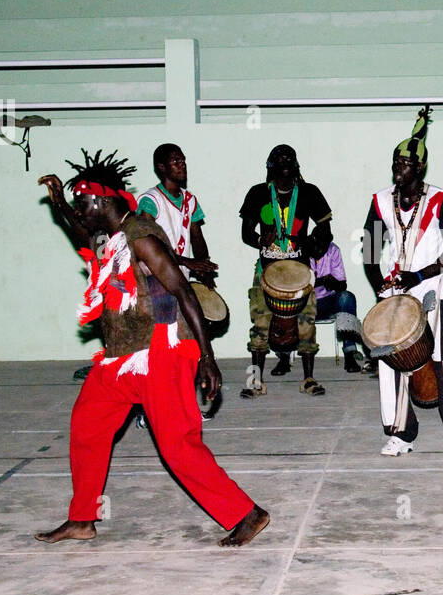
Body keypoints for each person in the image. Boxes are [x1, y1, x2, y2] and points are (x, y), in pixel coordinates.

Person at [34, 149, 268, 547]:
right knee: (86, 426)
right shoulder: (112, 237)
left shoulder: (142, 237)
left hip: (162, 352)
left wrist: (207, 359)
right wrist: (59, 206)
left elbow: (184, 293)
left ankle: (247, 513)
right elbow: (83, 235)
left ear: (104, 200)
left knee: (177, 446)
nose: (81, 210)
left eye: (83, 203)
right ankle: (82, 518)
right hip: (120, 358)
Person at [363, 107, 443, 459]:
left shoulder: (441, 199)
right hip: (397, 291)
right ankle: (400, 432)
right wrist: (380, 283)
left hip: (436, 288)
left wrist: (420, 276)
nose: (399, 169)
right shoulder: (381, 201)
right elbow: (369, 249)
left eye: (406, 164)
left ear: (420, 167)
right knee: (388, 361)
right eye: (395, 162)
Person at [238, 144, 333, 397]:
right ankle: (254, 380)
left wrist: (310, 242)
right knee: (260, 323)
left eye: (290, 158)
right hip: (266, 270)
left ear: (297, 166)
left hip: (299, 269)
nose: (285, 162)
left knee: (306, 323)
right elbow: (246, 233)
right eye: (279, 159)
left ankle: (309, 379)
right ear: (270, 166)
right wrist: (260, 240)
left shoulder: (309, 192)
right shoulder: (258, 193)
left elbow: (325, 230)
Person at [135, 142, 219, 289]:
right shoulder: (150, 200)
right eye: (175, 161)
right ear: (162, 167)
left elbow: (197, 238)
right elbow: (146, 245)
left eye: (183, 160)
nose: (182, 165)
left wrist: (204, 267)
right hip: (155, 278)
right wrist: (186, 261)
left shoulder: (190, 200)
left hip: (180, 278)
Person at [311, 239, 367, 373]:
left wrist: (334, 283)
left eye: (324, 245)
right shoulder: (302, 250)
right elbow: (300, 285)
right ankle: (283, 356)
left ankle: (349, 353)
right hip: (306, 303)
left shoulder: (333, 250)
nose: (321, 249)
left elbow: (342, 285)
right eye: (318, 245)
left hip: (327, 302)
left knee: (346, 297)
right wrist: (321, 280)